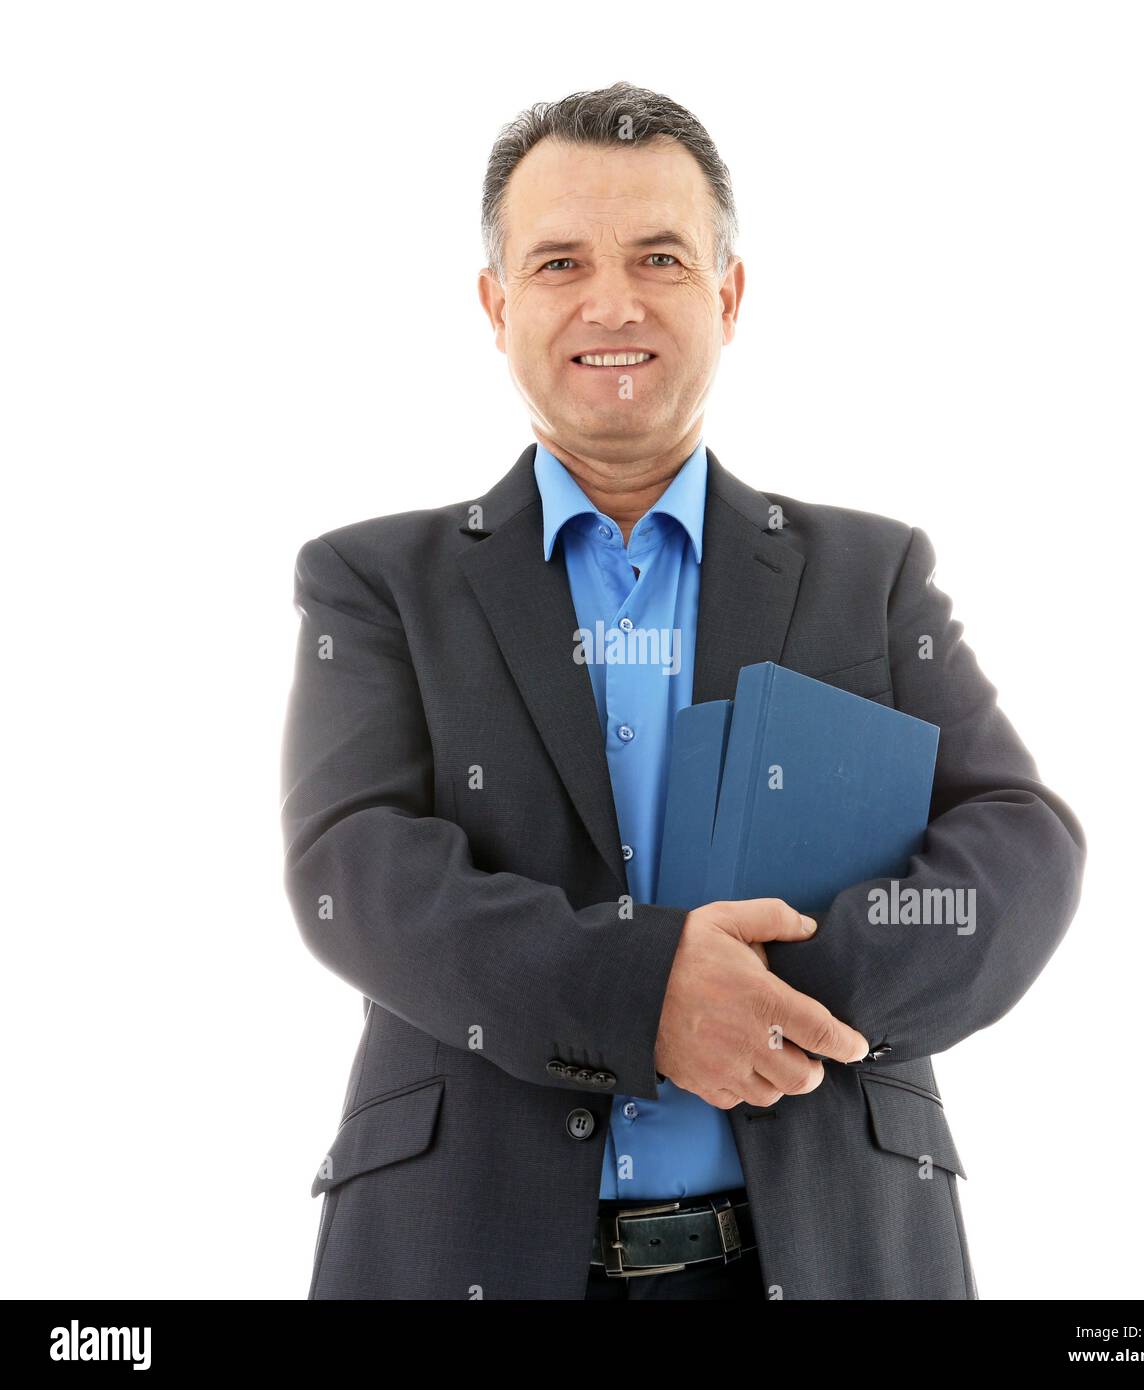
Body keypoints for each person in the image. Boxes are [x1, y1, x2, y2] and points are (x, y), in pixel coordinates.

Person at [280, 81, 1085, 1300]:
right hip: (468, 1250)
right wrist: (640, 994)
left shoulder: (868, 576)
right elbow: (356, 870)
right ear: (497, 307)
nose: (612, 302)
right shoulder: (375, 583)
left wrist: (758, 1007)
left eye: (658, 256)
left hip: (825, 1252)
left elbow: (1019, 851)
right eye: (558, 262)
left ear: (727, 294)